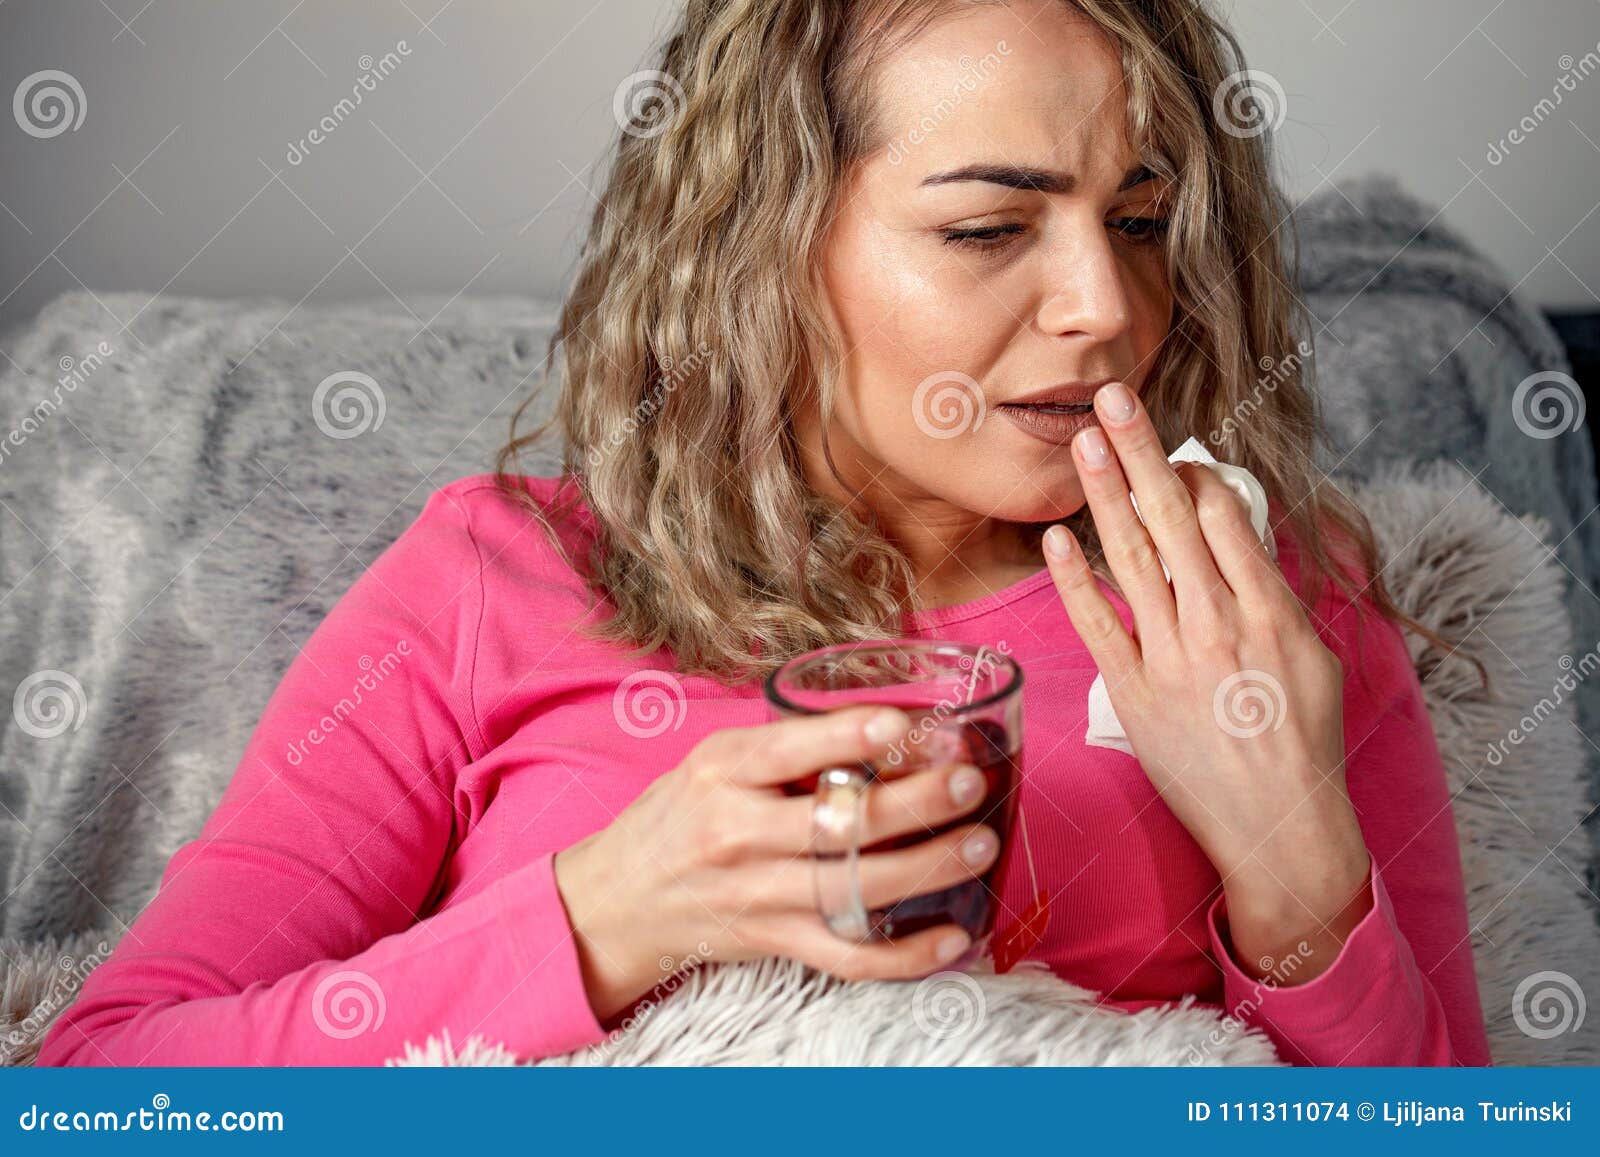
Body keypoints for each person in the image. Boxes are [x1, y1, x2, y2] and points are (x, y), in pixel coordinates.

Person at [36, 0, 1492, 1067]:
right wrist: (610, 914)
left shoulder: (1266, 612)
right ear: (766, 244)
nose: (1105, 308)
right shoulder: (496, 580)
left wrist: (1299, 875)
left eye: (1141, 220)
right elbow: (105, 1086)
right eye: (989, 230)